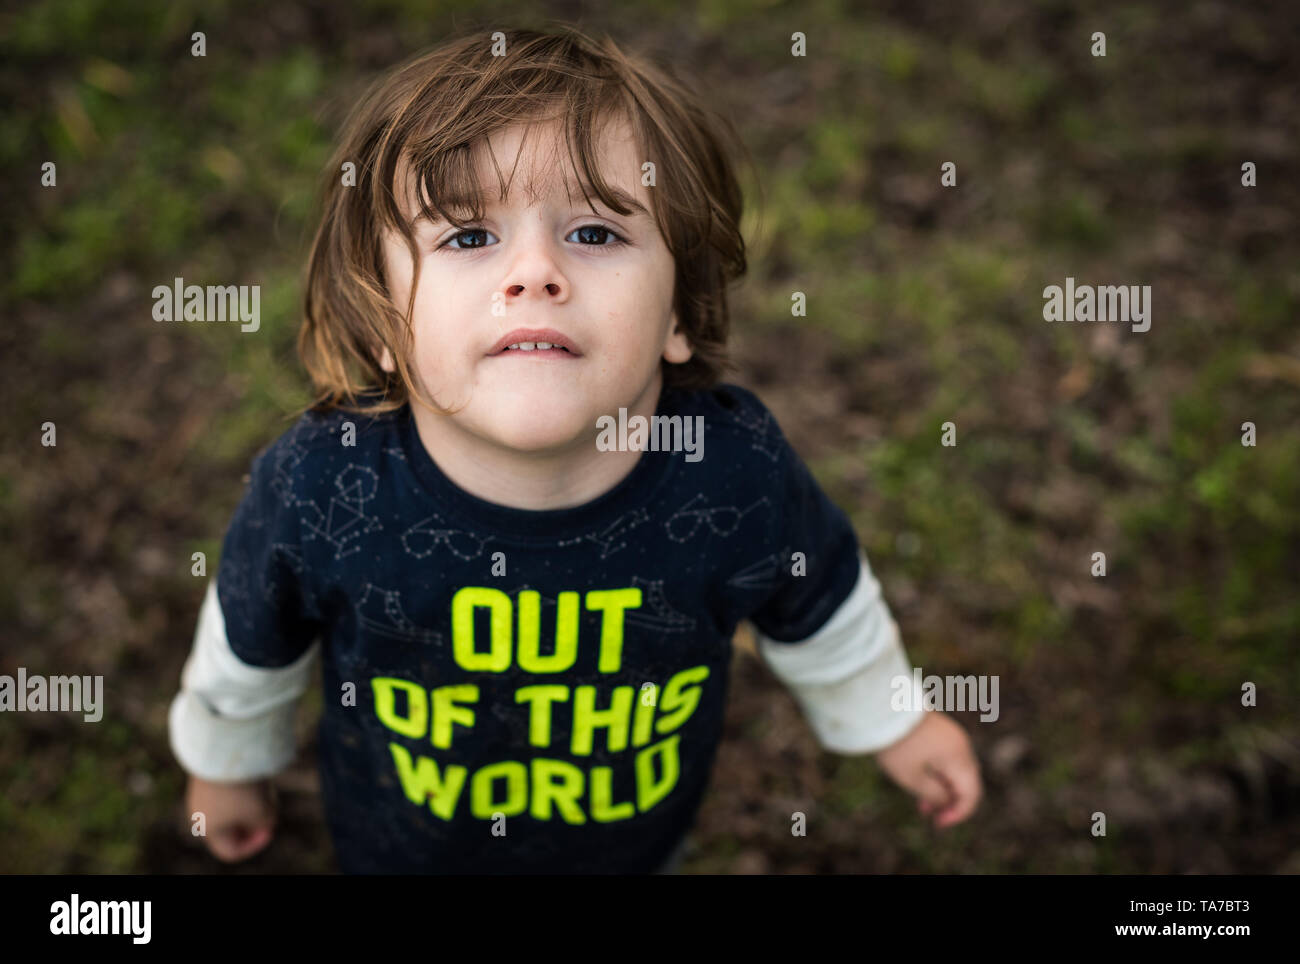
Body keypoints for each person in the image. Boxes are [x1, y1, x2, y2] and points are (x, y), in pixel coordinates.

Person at [168, 24, 981, 874]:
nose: (534, 273)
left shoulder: (730, 471)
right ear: (382, 320)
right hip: (401, 852)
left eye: (595, 233)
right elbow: (247, 640)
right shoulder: (326, 483)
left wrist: (896, 721)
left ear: (677, 313)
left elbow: (824, 608)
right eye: (468, 237)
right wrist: (226, 768)